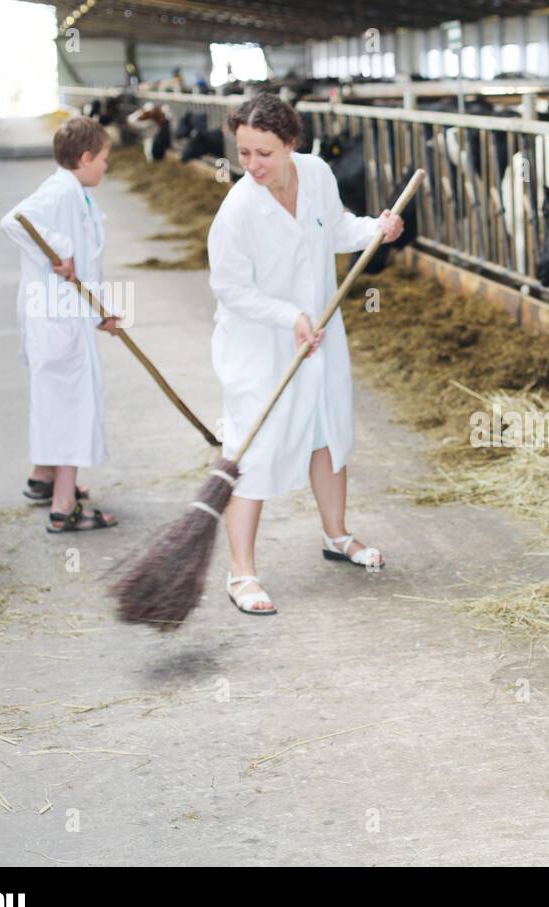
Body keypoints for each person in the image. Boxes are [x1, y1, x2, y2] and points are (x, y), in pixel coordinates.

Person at [207, 93, 403, 615]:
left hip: (318, 332)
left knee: (327, 429)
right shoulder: (238, 210)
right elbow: (230, 288)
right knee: (253, 449)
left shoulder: (316, 174)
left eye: (263, 153)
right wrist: (287, 317)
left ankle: (337, 535)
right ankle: (241, 572)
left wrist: (373, 231)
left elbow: (335, 229)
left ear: (291, 143)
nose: (251, 166)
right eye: (244, 152)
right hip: (261, 343)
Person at [0, 115, 121, 533]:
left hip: (65, 314)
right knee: (70, 406)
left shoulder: (76, 192)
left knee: (58, 401)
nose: (106, 166)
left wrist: (103, 309)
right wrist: (58, 252)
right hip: (56, 318)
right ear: (85, 157)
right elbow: (14, 220)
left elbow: (87, 265)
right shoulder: (59, 191)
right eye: (104, 159)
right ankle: (63, 507)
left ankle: (43, 478)